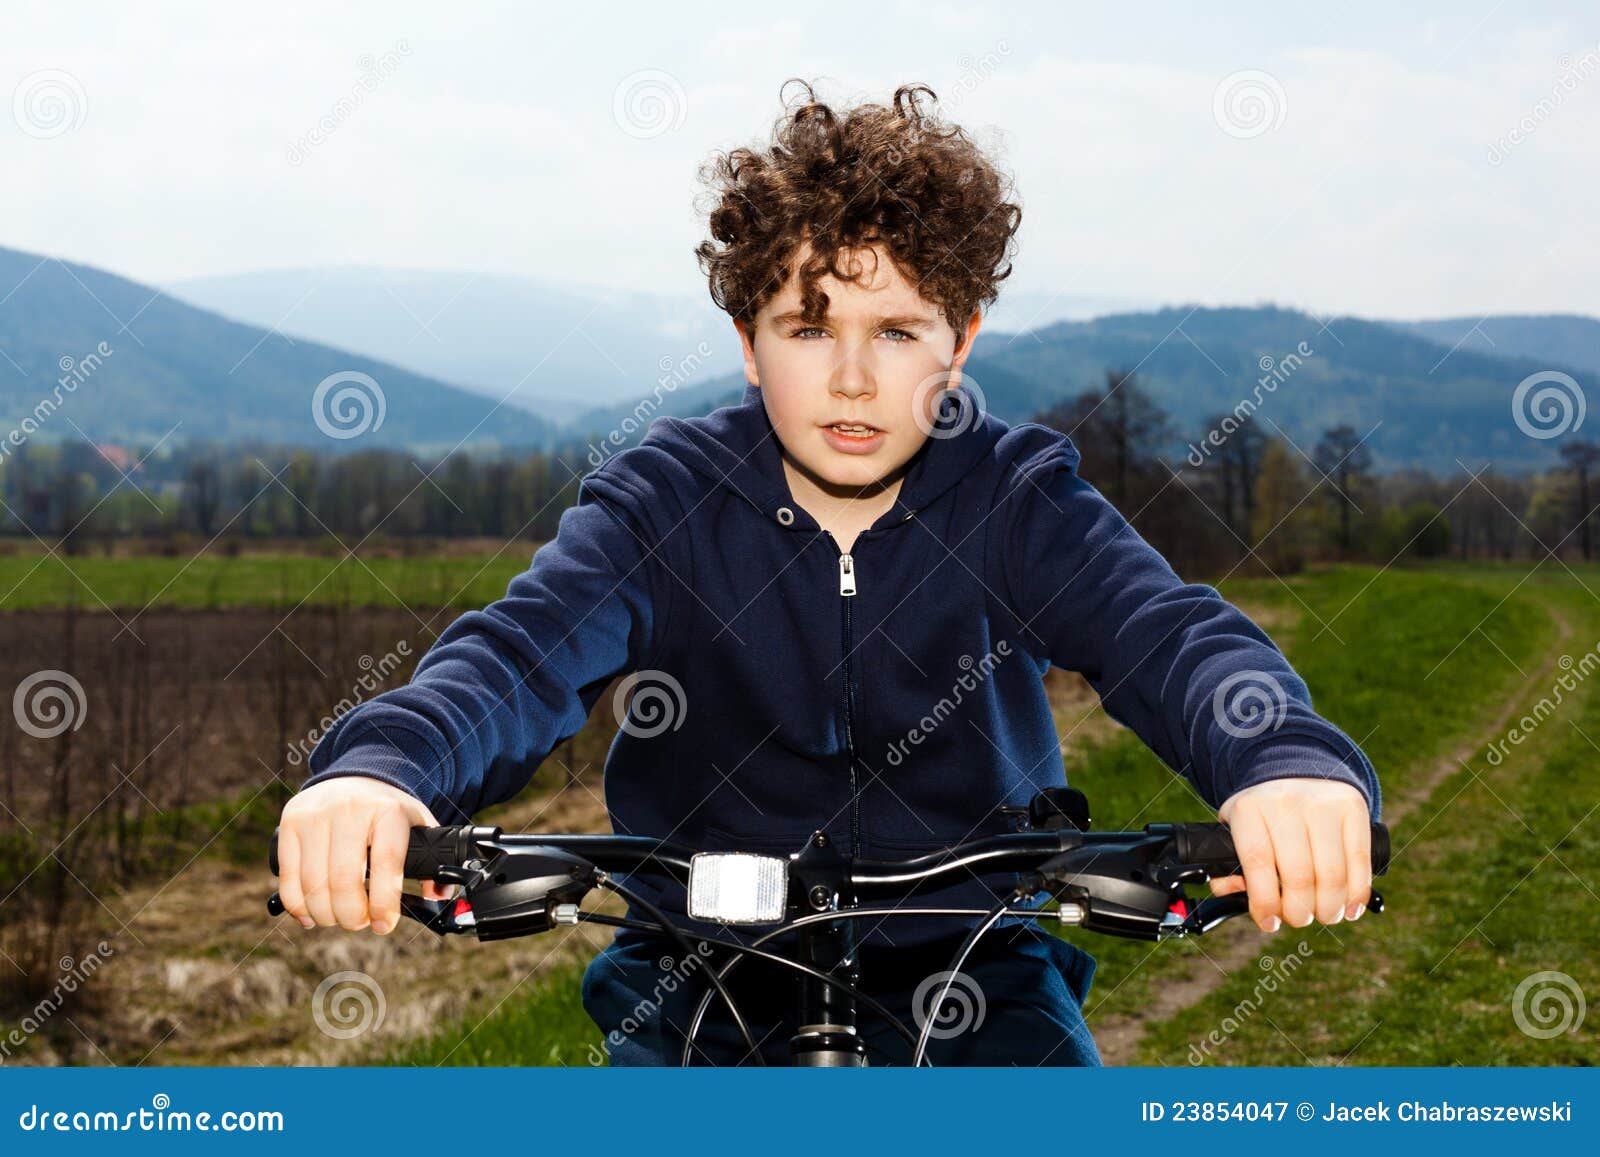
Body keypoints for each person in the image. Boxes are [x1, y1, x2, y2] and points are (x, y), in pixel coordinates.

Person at [274, 79, 1381, 1066]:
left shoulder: (1013, 499)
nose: (852, 379)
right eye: (808, 327)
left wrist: (1280, 764)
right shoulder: (667, 502)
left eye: (897, 331)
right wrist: (381, 771)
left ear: (962, 339)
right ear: (748, 342)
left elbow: (1169, 634)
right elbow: (515, 657)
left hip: (972, 964)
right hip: (694, 967)